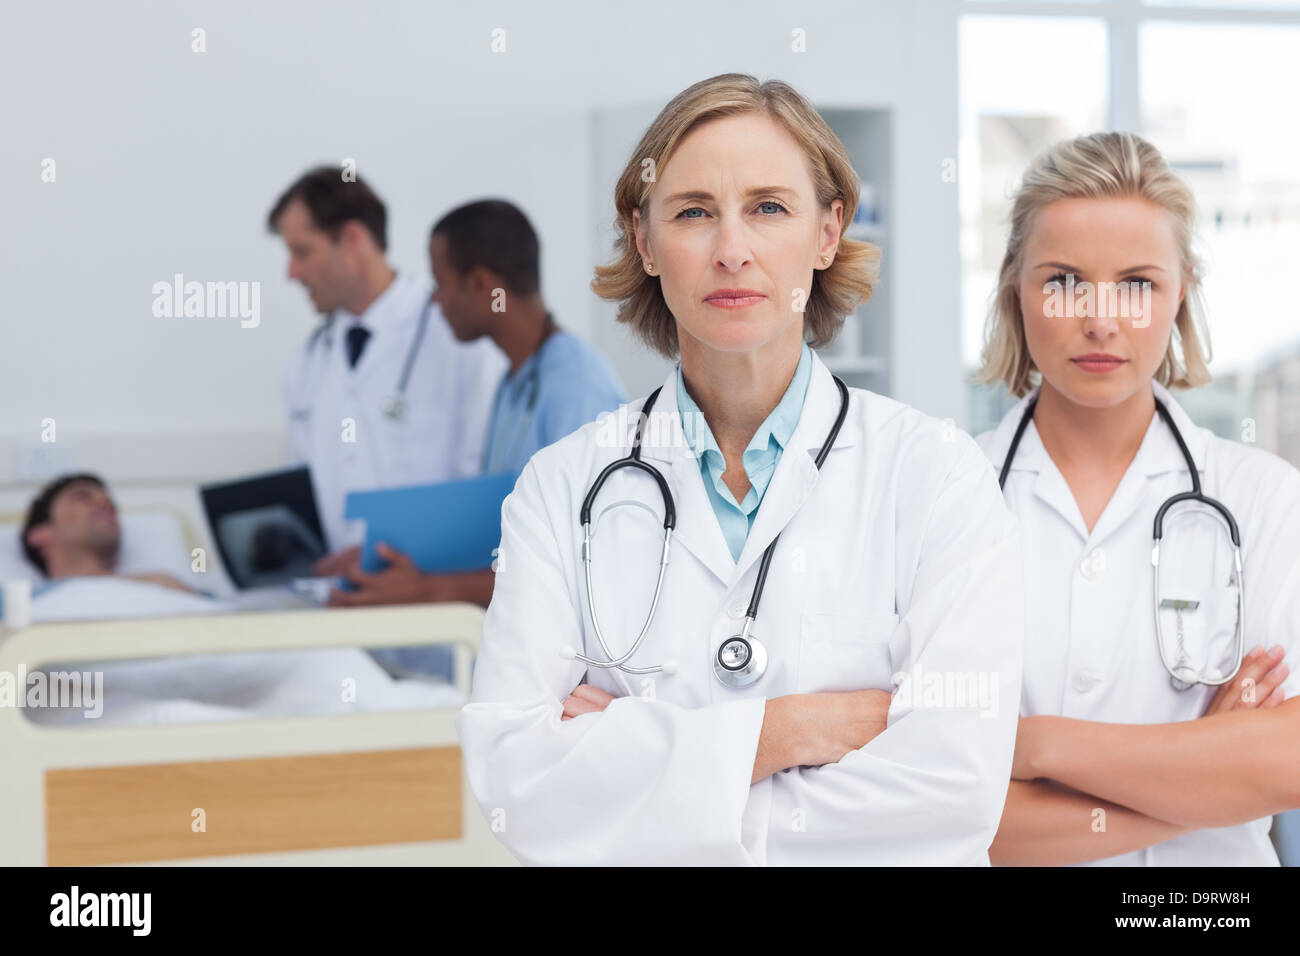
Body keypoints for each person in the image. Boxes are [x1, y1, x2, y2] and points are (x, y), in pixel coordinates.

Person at [456, 74, 1025, 866]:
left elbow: (955, 790)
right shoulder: (560, 490)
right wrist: (791, 730)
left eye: (769, 207)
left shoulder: (934, 475)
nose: (732, 250)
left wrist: (646, 776)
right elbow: (520, 791)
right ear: (645, 241)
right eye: (693, 212)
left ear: (828, 233)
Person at [977, 131, 1300, 866]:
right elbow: (938, 804)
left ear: (1180, 290)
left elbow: (1288, 765)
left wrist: (1035, 746)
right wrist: (1211, 768)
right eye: (1062, 280)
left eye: (1137, 283)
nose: (1101, 318)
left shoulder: (1264, 499)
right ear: (1015, 290)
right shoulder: (947, 498)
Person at [329, 199, 626, 610]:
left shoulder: (577, 390)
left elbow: (586, 567)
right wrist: (381, 557)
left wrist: (429, 590)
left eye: (440, 282)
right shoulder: (514, 380)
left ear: (481, 285)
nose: (434, 300)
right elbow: (507, 533)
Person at [268, 167, 506, 563]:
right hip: (338, 599)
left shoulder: (459, 340)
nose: (291, 273)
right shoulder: (305, 363)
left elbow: (483, 490)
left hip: (438, 595)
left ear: (352, 239)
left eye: (302, 252)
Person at [21, 473, 203, 611]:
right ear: (39, 534)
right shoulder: (19, 603)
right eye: (82, 497)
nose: (104, 504)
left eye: (110, 504)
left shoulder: (173, 587)